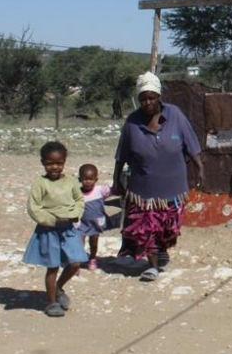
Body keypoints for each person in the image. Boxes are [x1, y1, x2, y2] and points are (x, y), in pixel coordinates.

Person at [112, 71, 204, 282]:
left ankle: (161, 249)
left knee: (168, 227)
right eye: (143, 99)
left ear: (159, 97)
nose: (147, 103)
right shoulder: (132, 122)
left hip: (173, 188)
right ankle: (152, 265)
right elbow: (121, 154)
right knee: (147, 228)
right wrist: (116, 179)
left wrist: (200, 167)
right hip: (143, 189)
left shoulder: (175, 115)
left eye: (151, 98)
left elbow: (191, 143)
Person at [22, 140, 88, 317]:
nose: (55, 167)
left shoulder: (70, 182)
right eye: (50, 163)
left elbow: (79, 200)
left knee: (75, 263)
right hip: (49, 230)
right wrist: (51, 220)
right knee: (52, 266)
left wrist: (75, 214)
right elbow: (34, 207)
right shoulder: (40, 183)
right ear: (43, 162)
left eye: (59, 163)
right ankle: (51, 303)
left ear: (64, 162)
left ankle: (58, 287)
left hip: (68, 228)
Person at [75, 163, 110, 270]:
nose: (88, 181)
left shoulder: (100, 190)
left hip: (95, 223)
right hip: (81, 223)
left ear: (96, 179)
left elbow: (114, 191)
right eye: (85, 179)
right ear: (80, 179)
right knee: (79, 243)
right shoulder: (77, 193)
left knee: (93, 243)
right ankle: (77, 263)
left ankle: (92, 258)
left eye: (91, 179)